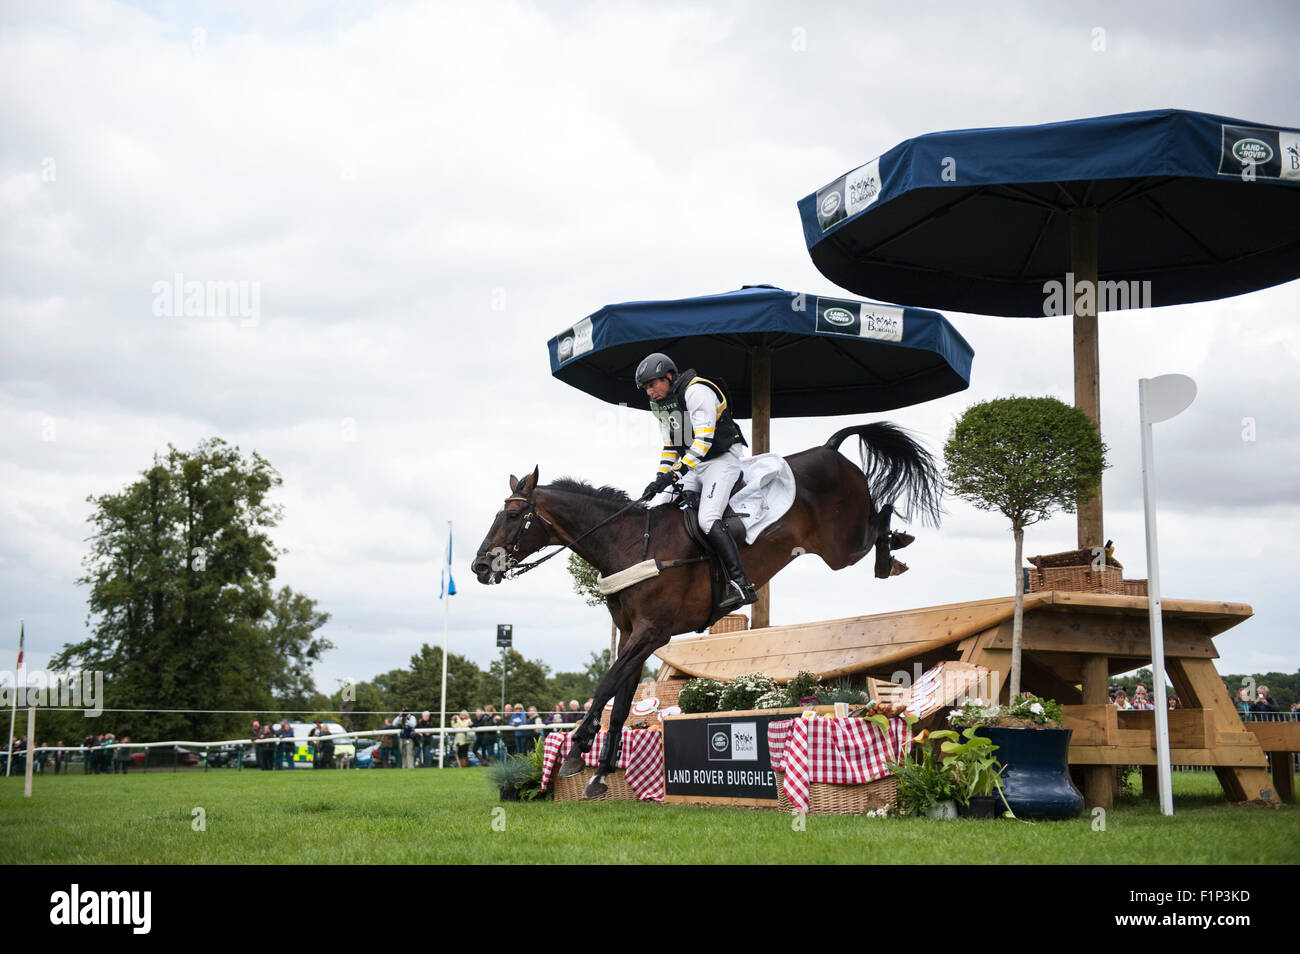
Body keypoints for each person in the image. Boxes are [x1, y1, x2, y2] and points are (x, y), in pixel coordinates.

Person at [635, 353, 755, 611]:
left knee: (707, 519)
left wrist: (674, 474)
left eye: (652, 384)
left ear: (669, 376)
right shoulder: (663, 406)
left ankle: (741, 584)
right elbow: (671, 447)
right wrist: (660, 478)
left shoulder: (697, 391)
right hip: (695, 464)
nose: (649, 392)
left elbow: (703, 442)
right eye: (646, 387)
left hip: (722, 459)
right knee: (663, 506)